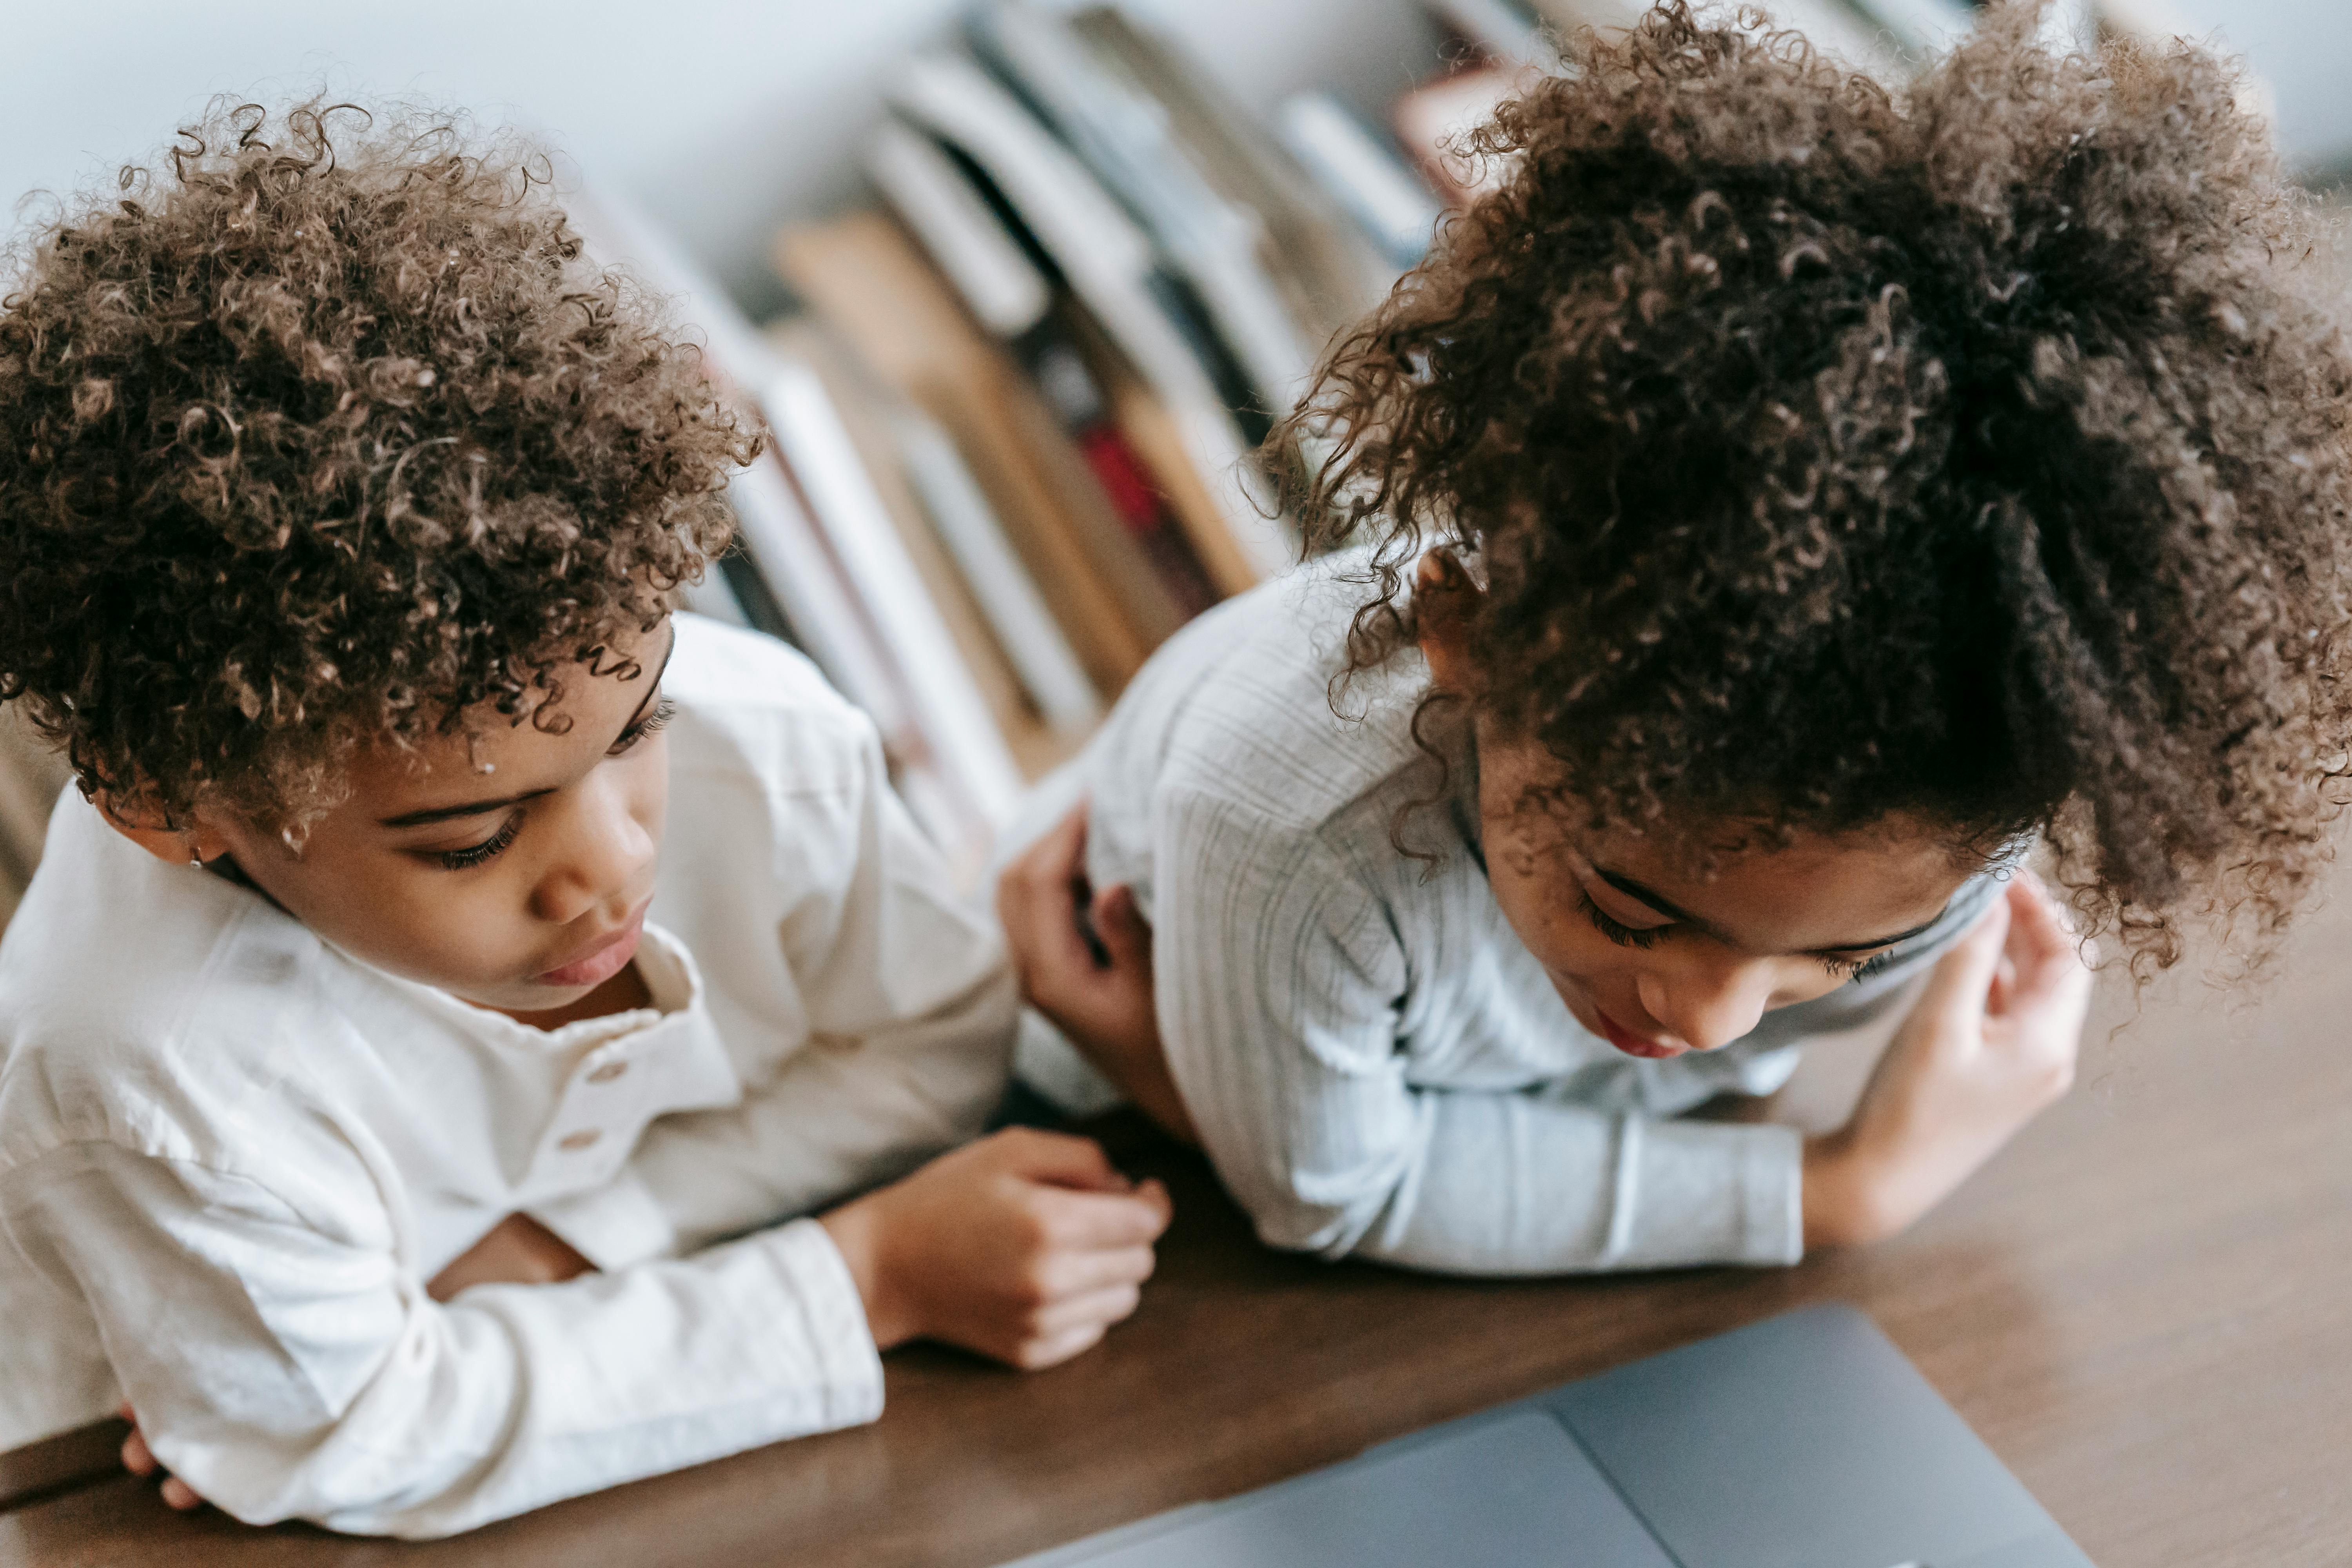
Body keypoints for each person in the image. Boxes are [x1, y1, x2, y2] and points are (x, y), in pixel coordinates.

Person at [997, 3, 2352, 1277]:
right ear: (1467, 636)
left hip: (1434, 1095)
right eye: (1625, 903)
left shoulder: (1958, 784)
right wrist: (1839, 1193)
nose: (1714, 1020)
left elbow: (1648, 1090)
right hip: (1097, 1049)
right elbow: (1330, 1195)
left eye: (1839, 958)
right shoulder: (1292, 835)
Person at [0, 103, 1169, 1538]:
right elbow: (345, 1430)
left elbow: (932, 1041)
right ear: (178, 816)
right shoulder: (139, 1071)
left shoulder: (776, 743)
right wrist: (869, 1278)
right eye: (474, 838)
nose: (614, 864)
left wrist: (562, 1249)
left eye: (642, 730)